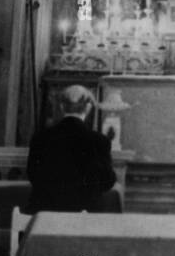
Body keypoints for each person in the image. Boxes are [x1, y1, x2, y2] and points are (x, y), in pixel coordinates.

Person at [25, 85, 117, 214]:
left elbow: (33, 175)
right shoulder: (99, 140)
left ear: (62, 107)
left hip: (45, 214)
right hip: (85, 217)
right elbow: (107, 181)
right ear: (88, 108)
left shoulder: (41, 137)